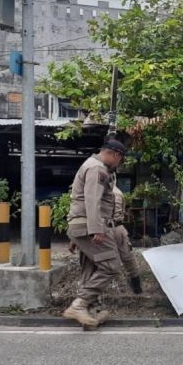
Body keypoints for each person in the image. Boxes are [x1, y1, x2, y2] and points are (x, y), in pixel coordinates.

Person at [62, 139, 126, 328]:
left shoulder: (91, 166)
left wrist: (78, 236)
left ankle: (93, 310)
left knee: (90, 268)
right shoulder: (97, 168)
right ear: (115, 155)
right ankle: (79, 305)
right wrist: (95, 229)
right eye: (120, 160)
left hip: (82, 227)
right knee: (111, 265)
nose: (119, 164)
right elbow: (92, 200)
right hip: (90, 227)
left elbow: (79, 199)